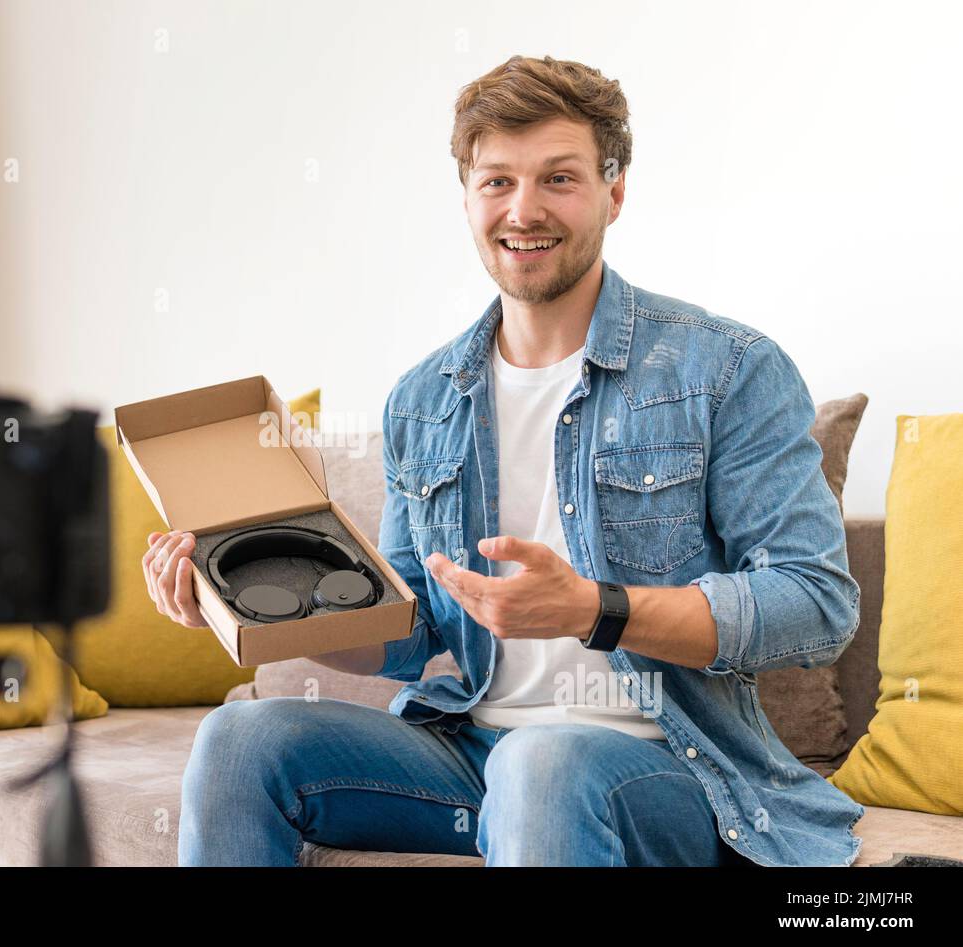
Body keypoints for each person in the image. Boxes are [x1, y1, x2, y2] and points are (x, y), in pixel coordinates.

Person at [147, 55, 864, 867]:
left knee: (542, 760)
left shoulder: (726, 369)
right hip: (475, 752)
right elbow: (409, 632)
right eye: (497, 182)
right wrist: (241, 608)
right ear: (467, 198)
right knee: (240, 739)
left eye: (558, 178)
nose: (524, 210)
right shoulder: (423, 398)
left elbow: (816, 604)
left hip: (673, 773)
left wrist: (598, 609)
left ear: (613, 193)